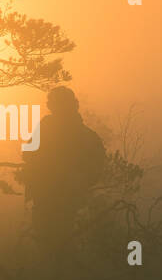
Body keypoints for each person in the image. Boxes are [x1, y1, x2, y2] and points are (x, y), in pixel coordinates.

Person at [17, 86, 105, 262]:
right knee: (61, 245)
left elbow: (27, 153)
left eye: (52, 103)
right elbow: (97, 168)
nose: (51, 106)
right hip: (66, 199)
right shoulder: (87, 135)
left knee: (49, 246)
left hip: (51, 198)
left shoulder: (48, 126)